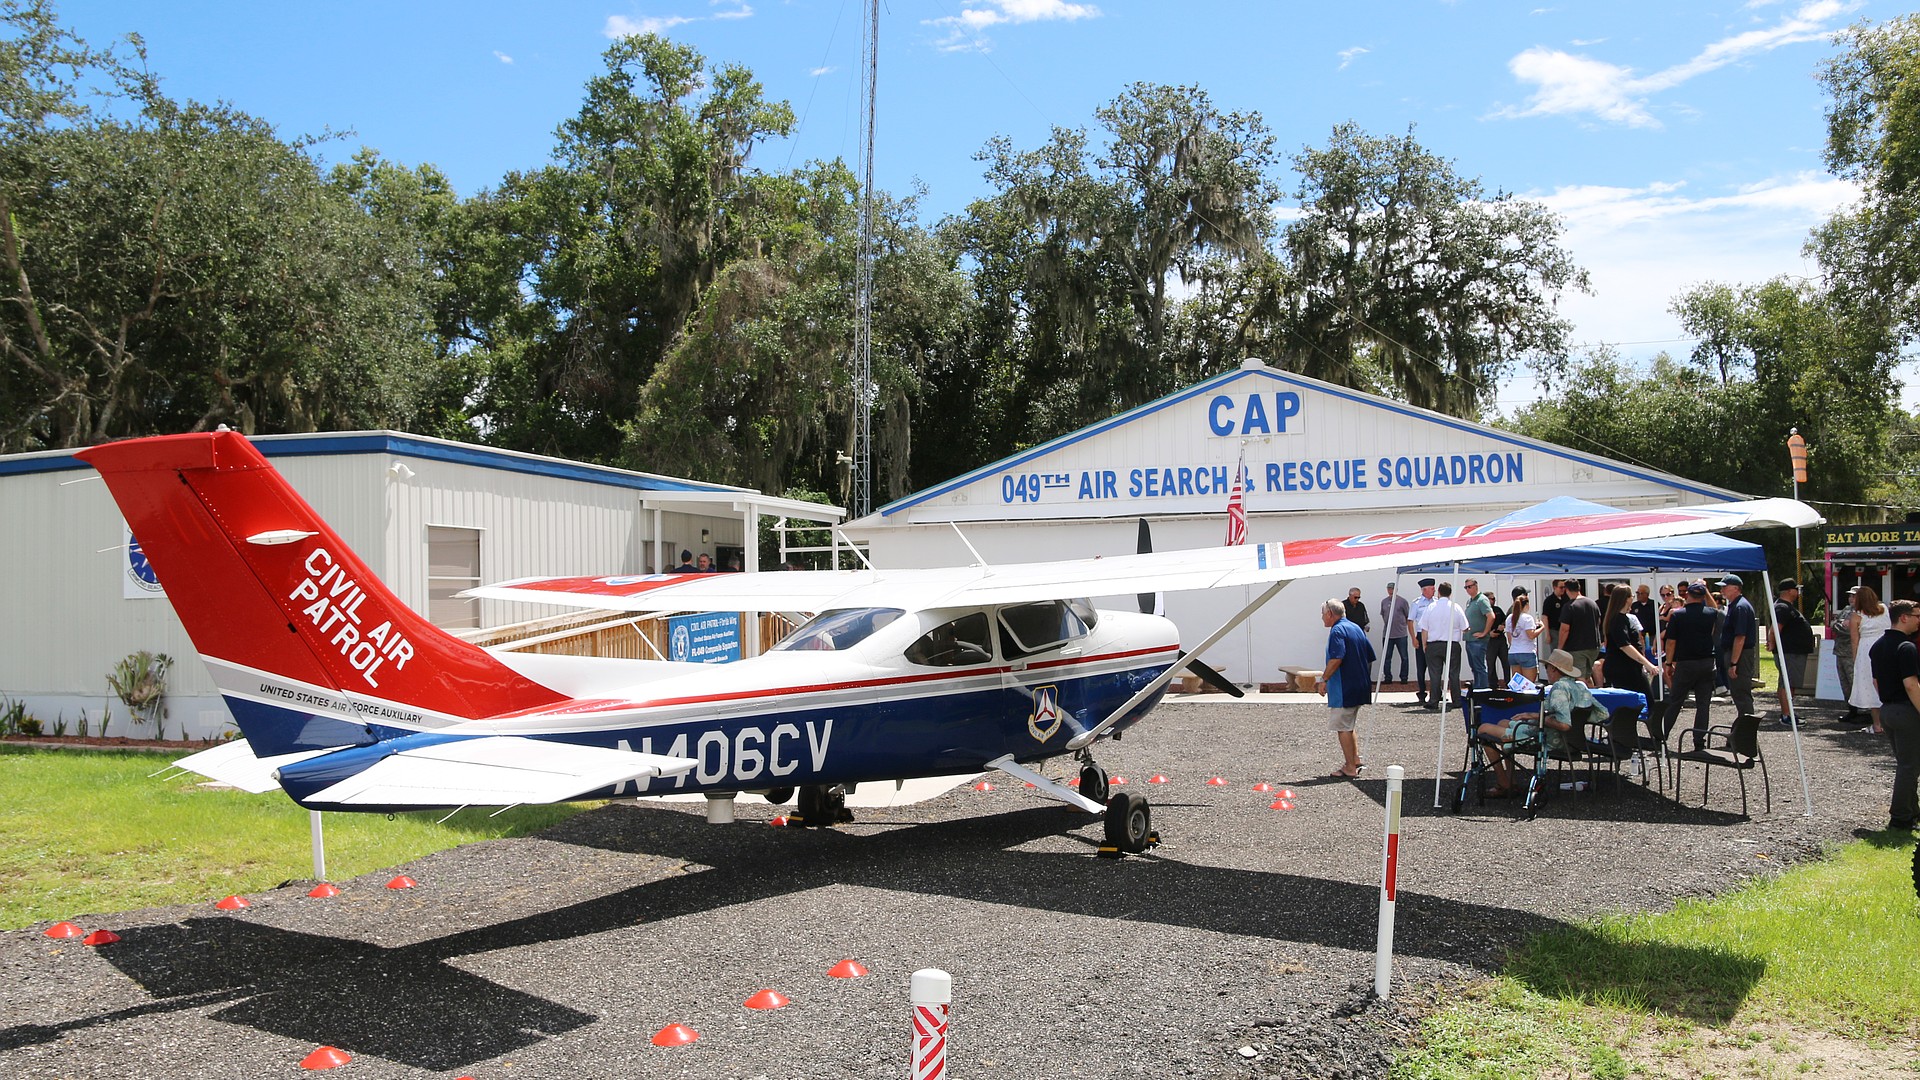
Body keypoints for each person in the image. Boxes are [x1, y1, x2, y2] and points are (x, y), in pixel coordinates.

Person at [1477, 649, 1597, 797]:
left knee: (1483, 729)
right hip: (1569, 739)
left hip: (1551, 737)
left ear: (1553, 669)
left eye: (1547, 667)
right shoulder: (1578, 686)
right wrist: (1533, 716)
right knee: (1502, 722)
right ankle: (1510, 781)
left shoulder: (1559, 689)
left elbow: (1564, 724)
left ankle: (1503, 783)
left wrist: (1536, 717)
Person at [1867, 598, 1920, 831]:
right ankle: (1900, 818)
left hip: (1887, 710)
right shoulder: (1907, 647)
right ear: (1904, 617)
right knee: (1909, 767)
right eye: (1917, 615)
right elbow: (1911, 685)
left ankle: (1912, 811)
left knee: (1906, 763)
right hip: (1906, 710)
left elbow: (1876, 681)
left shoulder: (1878, 645)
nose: (1919, 620)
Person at [1315, 599, 1377, 779]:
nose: (1322, 618)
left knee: (1342, 727)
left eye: (1322, 614)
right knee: (1349, 726)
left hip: (1345, 688)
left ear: (1330, 614)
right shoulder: (1356, 628)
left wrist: (1324, 679)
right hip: (1360, 685)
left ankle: (1350, 767)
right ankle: (1355, 759)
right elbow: (1369, 655)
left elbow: (1336, 658)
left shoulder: (1337, 631)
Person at [1663, 582, 1721, 747]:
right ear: (1703, 597)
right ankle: (1699, 741)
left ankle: (1661, 735)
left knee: (1676, 701)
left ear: (1687, 595)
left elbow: (1671, 642)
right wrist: (1707, 592)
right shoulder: (1710, 613)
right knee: (1703, 704)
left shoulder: (1678, 615)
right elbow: (1714, 607)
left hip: (1686, 663)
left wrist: (1668, 662)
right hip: (1707, 662)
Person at [1770, 579, 1815, 728]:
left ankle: (1788, 712)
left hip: (1793, 653)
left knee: (1790, 683)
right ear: (1790, 591)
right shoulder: (1782, 607)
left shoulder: (1786, 607)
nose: (1798, 592)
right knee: (1787, 683)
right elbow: (1775, 628)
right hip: (1789, 653)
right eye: (1796, 589)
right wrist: (1772, 644)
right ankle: (1786, 715)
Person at [1602, 582, 1659, 699]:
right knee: (1641, 701)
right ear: (1626, 599)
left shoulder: (1624, 618)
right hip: (1622, 668)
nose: (1633, 598)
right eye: (1632, 595)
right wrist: (1647, 664)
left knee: (1644, 700)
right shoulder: (1617, 620)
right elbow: (1624, 646)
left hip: (1630, 667)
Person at [1418, 581, 1468, 711]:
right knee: (1454, 673)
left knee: (1435, 674)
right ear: (1450, 593)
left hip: (1434, 644)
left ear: (1438, 592)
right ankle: (1456, 700)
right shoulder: (1455, 607)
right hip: (1452, 643)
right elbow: (1465, 627)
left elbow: (1424, 628)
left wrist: (1424, 644)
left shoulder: (1431, 607)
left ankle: (1434, 700)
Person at [1717, 574, 1760, 719]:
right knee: (1738, 693)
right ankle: (1743, 730)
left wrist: (1734, 663)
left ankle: (1747, 732)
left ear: (1736, 588)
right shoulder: (1736, 605)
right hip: (1737, 653)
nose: (1722, 590)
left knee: (1741, 694)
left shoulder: (1740, 607)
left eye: (1725, 587)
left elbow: (1740, 637)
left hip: (1740, 654)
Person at [1850, 584, 1890, 729]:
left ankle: (1877, 724)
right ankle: (1888, 722)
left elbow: (1854, 641)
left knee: (1870, 684)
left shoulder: (1856, 616)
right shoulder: (1884, 609)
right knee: (1886, 681)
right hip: (1885, 645)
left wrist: (1855, 660)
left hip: (1866, 649)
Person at [1557, 579, 1602, 687]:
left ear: (1567, 590)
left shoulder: (1569, 606)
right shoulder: (1592, 603)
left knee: (1580, 678)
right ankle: (1594, 698)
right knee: (1587, 676)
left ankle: (1584, 702)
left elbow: (1564, 629)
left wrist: (1559, 648)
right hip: (1593, 646)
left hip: (1576, 647)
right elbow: (1598, 621)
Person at [1833, 587, 1867, 724]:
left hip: (1851, 653)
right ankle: (1852, 710)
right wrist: (1840, 625)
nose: (1851, 599)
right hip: (1840, 651)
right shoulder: (1847, 610)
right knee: (1845, 684)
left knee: (1855, 682)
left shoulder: (1863, 613)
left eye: (1854, 596)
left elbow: (1851, 631)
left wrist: (1842, 626)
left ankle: (1863, 711)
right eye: (1850, 596)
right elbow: (1835, 625)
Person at [1409, 578, 1437, 705]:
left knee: (1435, 666)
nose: (1434, 590)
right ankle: (1421, 693)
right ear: (1424, 590)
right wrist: (1413, 638)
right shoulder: (1417, 603)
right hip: (1421, 635)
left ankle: (1437, 693)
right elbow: (1410, 621)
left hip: (1434, 635)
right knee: (1421, 666)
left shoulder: (1437, 602)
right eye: (1432, 588)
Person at [1462, 578, 1494, 690]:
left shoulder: (1482, 600)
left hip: (1478, 641)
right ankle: (1477, 690)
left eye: (1469, 587)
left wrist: (1484, 632)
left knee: (1479, 667)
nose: (1467, 589)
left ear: (1476, 586)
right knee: (1474, 667)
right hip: (1470, 639)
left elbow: (1491, 616)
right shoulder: (1470, 601)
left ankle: (1483, 691)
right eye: (1466, 587)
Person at [1506, 591, 1542, 683]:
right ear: (1526, 605)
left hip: (1513, 652)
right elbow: (1531, 635)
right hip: (1526, 651)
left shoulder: (1510, 618)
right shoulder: (1527, 618)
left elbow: (1509, 638)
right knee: (1528, 684)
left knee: (1518, 684)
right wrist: (1542, 627)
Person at [1379, 583, 1411, 684]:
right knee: (1386, 657)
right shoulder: (1384, 602)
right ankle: (1387, 677)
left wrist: (1403, 625)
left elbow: (1407, 616)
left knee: (1404, 657)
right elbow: (1383, 615)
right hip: (1387, 634)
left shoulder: (1402, 601)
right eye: (1389, 588)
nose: (1390, 590)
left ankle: (1404, 677)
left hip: (1401, 634)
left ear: (1396, 589)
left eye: (1392, 588)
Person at [1488, 592, 1510, 688]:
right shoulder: (1483, 611)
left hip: (1500, 638)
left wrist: (1502, 626)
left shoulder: (1497, 610)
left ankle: (1508, 682)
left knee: (1506, 661)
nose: (1493, 601)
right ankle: (1493, 684)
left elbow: (1505, 619)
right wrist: (1489, 633)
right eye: (1491, 599)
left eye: (1494, 599)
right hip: (1490, 640)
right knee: (1491, 663)